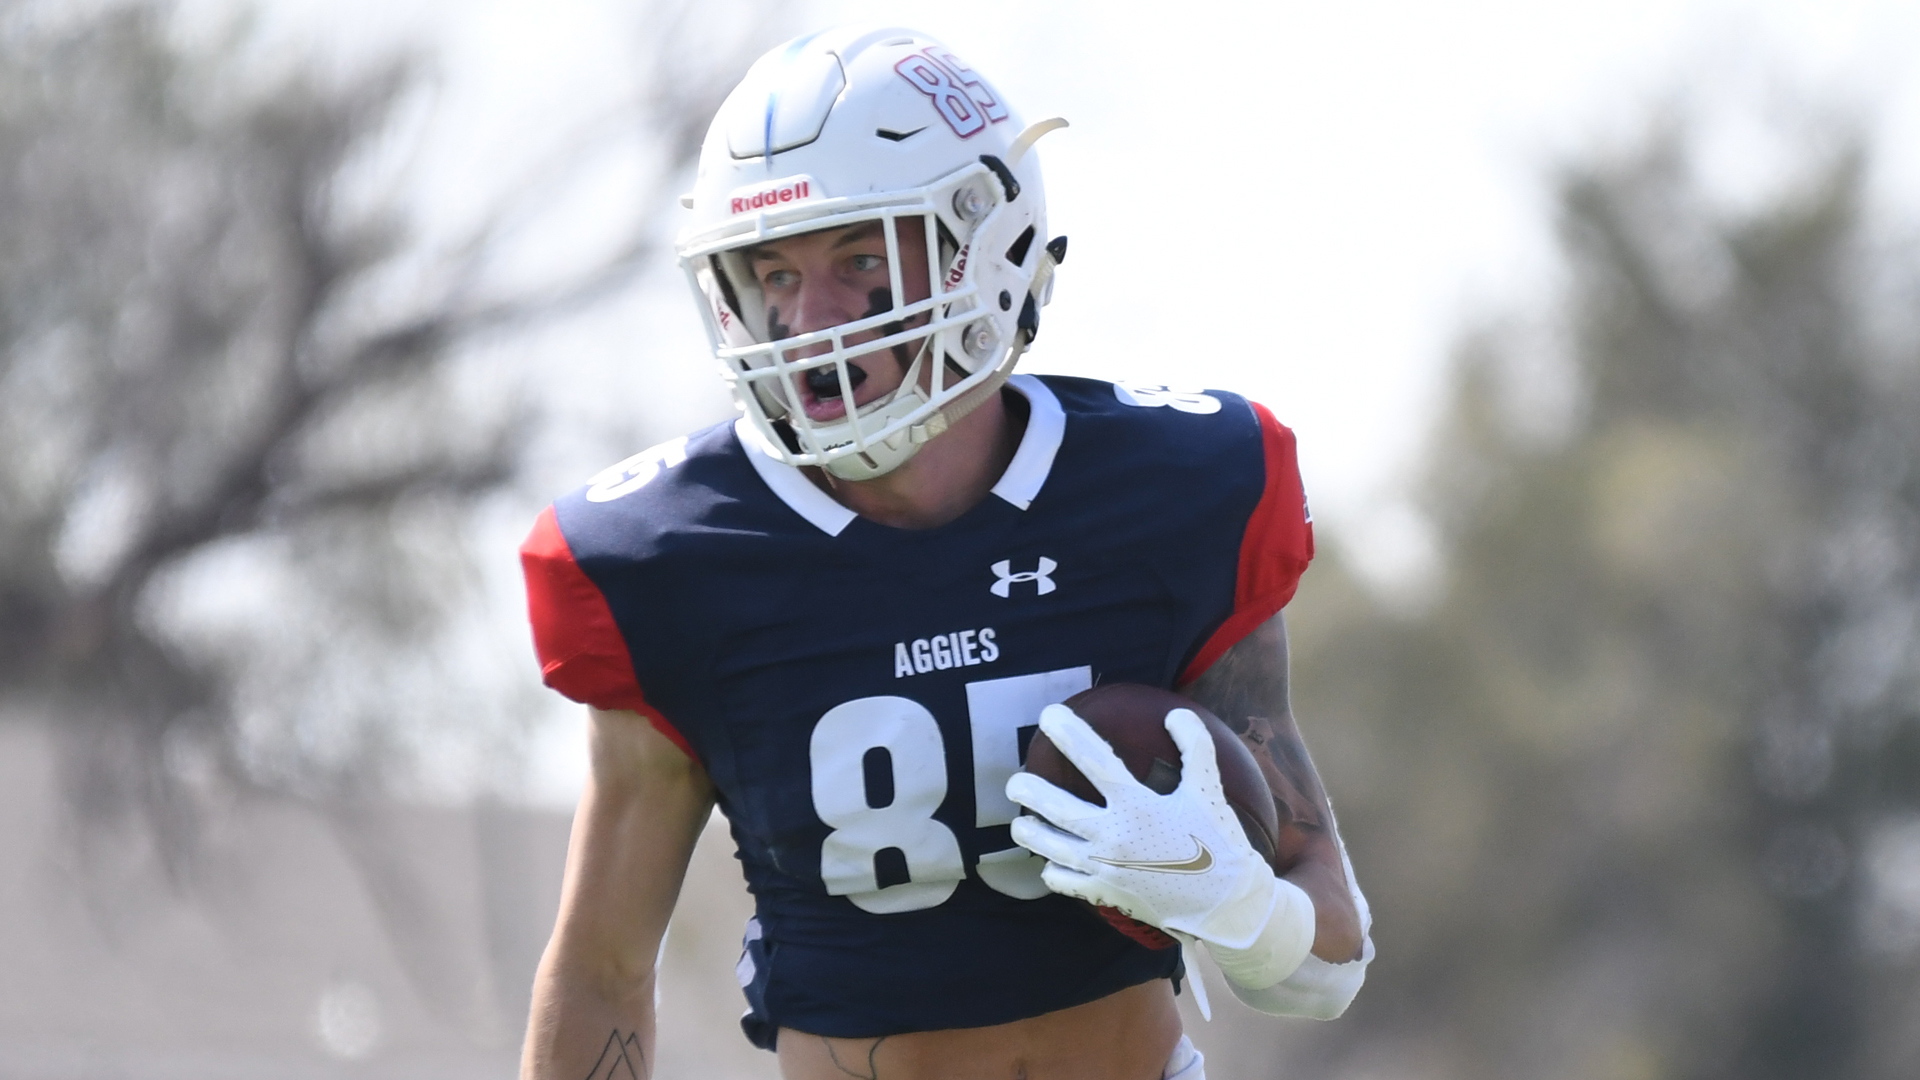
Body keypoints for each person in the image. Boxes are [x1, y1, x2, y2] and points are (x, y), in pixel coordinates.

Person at [518, 26, 1373, 1080]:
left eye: (859, 260)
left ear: (988, 245)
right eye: (773, 273)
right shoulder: (675, 558)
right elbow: (604, 967)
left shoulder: (1171, 496)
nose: (807, 319)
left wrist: (1243, 907)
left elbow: (1326, 969)